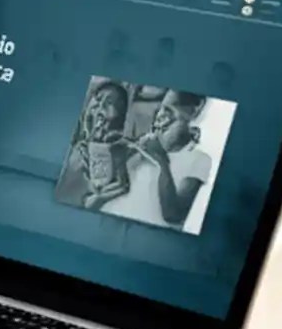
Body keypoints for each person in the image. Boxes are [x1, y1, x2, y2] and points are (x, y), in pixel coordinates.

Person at [100, 90, 213, 230]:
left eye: (168, 111)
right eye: (160, 110)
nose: (159, 117)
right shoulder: (145, 148)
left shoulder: (199, 160)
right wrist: (120, 153)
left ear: (192, 113)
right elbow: (118, 185)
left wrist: (161, 161)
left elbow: (174, 215)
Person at [55, 80, 131, 208]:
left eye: (110, 103)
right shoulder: (72, 139)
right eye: (98, 99)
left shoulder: (117, 151)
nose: (100, 106)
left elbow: (120, 185)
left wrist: (98, 199)